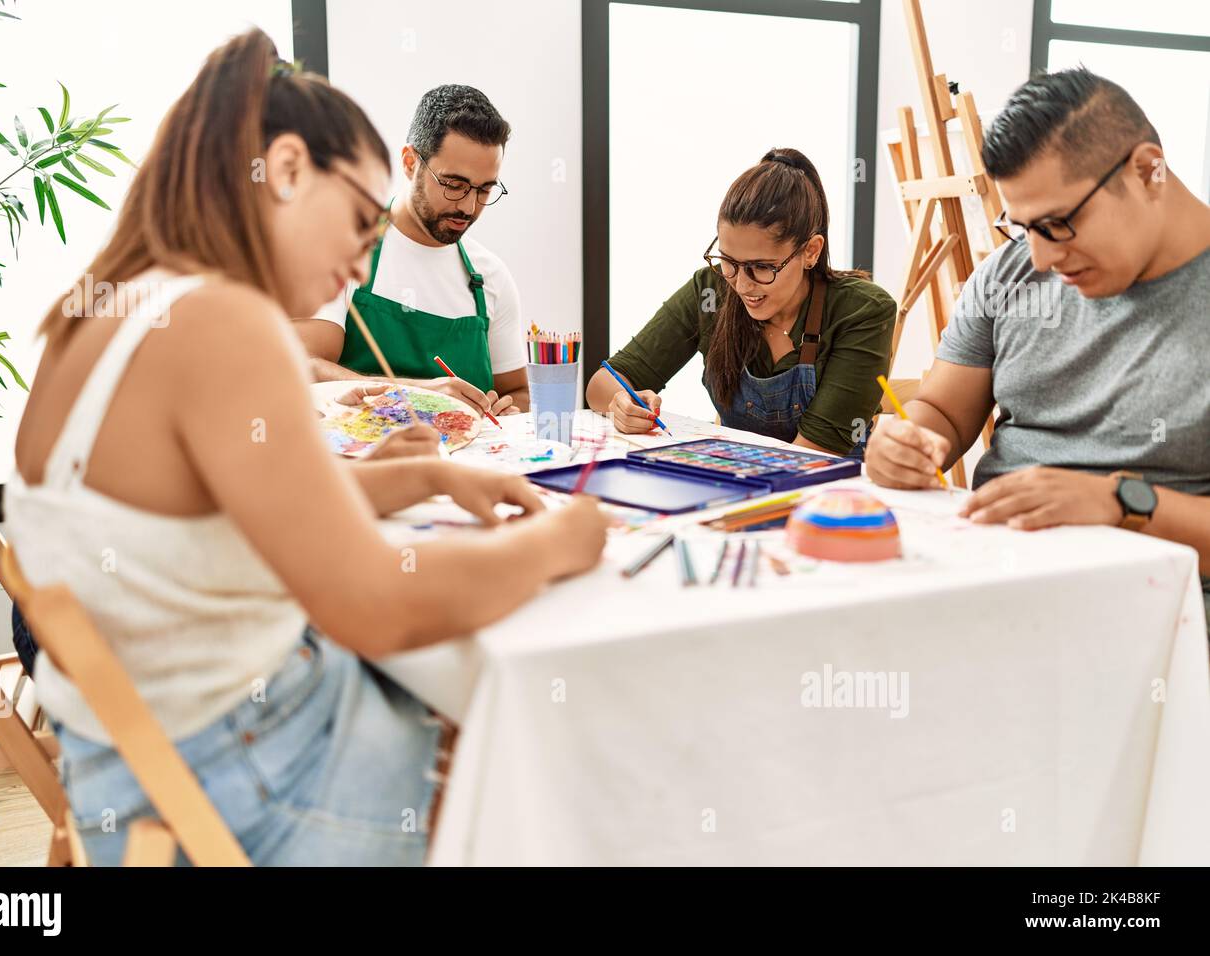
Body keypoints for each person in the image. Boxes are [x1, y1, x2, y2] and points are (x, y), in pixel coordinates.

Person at [5, 31, 608, 866]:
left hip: (127, 768)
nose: (364, 256)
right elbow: (373, 601)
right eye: (361, 221)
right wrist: (558, 541)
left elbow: (214, 515)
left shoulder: (115, 303)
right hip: (240, 775)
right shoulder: (226, 322)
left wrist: (424, 475)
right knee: (539, 753)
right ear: (285, 171)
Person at [863, 67, 1210, 629]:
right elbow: (945, 412)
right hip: (989, 575)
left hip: (1152, 616)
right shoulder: (1009, 274)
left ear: (1149, 170)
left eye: (1056, 223)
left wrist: (1120, 503)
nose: (1042, 259)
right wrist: (910, 441)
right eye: (1021, 227)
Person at [586, 148, 897, 458]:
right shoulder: (710, 292)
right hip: (739, 481)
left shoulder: (862, 311)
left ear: (811, 251)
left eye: (762, 267)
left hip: (829, 497)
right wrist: (622, 403)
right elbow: (602, 384)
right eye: (728, 261)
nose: (742, 284)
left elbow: (814, 454)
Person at [294, 84, 527, 419]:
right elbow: (308, 368)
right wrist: (415, 395)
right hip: (363, 464)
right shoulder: (340, 246)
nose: (469, 206)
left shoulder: (489, 276)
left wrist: (509, 409)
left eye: (485, 189)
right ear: (409, 162)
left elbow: (517, 392)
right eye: (454, 185)